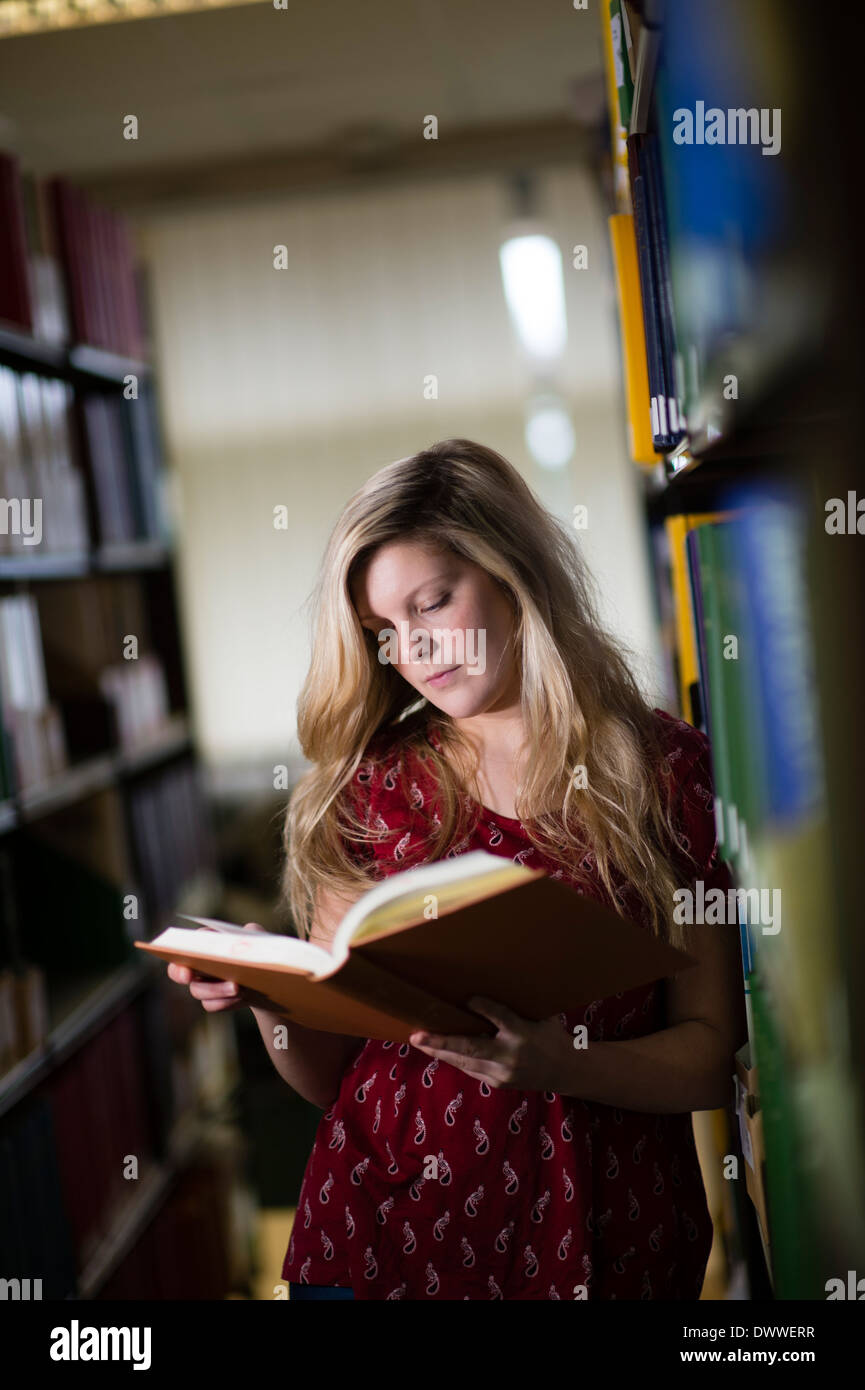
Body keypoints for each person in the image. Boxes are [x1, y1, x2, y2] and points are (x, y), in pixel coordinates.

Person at [168, 438, 747, 1300]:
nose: (415, 649)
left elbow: (710, 1055)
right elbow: (332, 1083)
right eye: (383, 632)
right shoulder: (364, 792)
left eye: (432, 603)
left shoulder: (669, 775)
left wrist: (562, 1067)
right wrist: (272, 1002)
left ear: (512, 571)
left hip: (604, 1238)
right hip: (378, 1242)